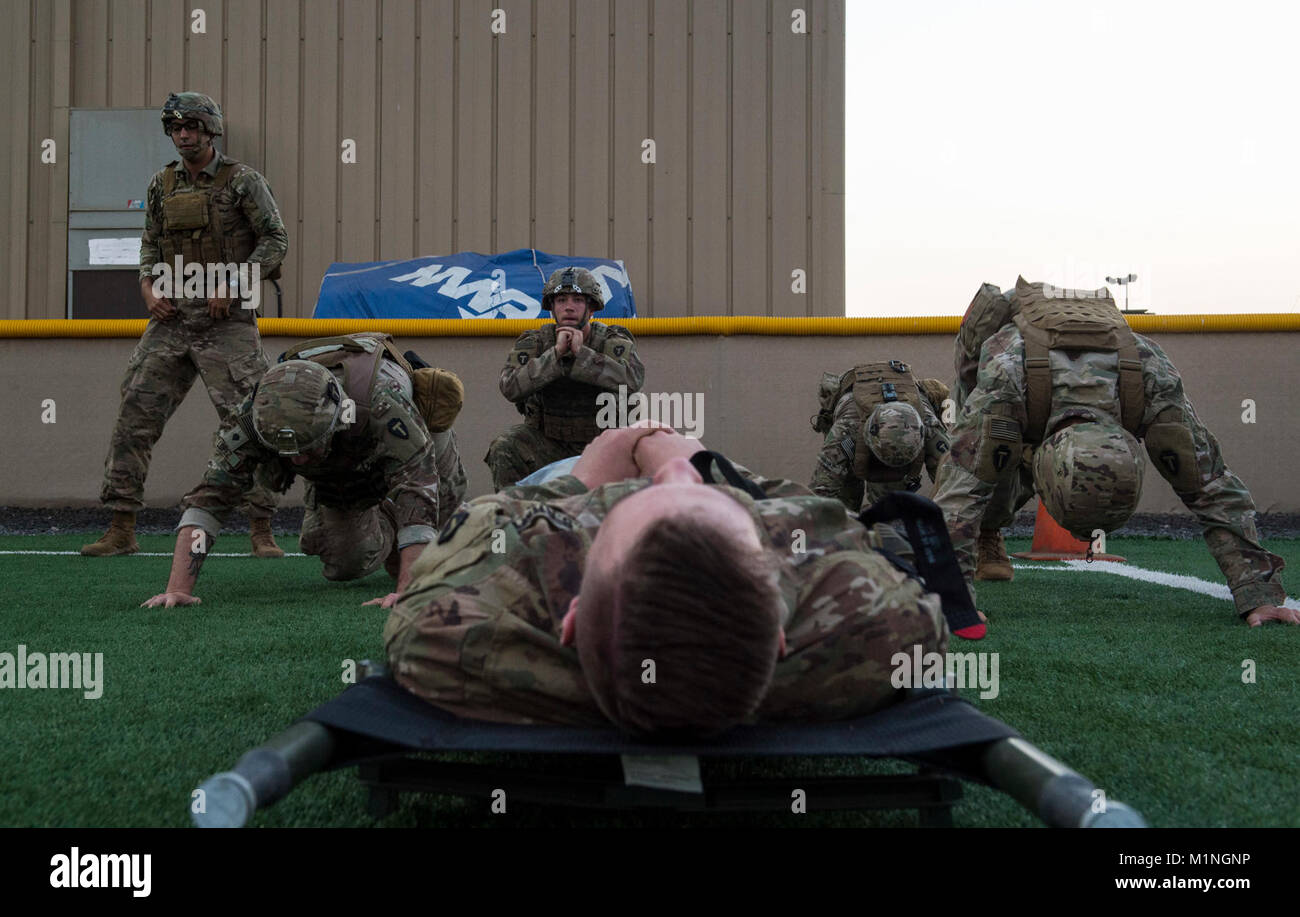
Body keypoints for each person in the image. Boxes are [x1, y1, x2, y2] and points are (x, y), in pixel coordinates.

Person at [385, 425, 949, 735]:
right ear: (779, 633)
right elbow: (830, 522)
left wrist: (584, 482)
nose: (672, 475)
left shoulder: (437, 637)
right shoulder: (888, 633)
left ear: (573, 619)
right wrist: (714, 473)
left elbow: (468, 539)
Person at [931, 277, 1295, 627]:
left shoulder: (1152, 377)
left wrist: (1260, 594)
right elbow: (960, 491)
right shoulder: (1006, 375)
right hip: (1003, 331)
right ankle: (990, 531)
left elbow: (1211, 484)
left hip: (1095, 347)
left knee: (994, 453)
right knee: (992, 459)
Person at [82, 92, 288, 559]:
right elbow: (150, 242)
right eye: (175, 128)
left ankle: (261, 528)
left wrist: (234, 284)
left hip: (227, 322)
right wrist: (148, 290)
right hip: (172, 319)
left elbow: (276, 239)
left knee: (253, 421)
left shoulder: (243, 181)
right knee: (135, 414)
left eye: (191, 126)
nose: (183, 135)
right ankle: (121, 527)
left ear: (210, 129)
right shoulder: (162, 183)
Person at [140, 333, 468, 610]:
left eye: (308, 449)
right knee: (344, 564)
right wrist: (178, 588)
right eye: (288, 454)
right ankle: (381, 522)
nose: (297, 462)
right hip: (343, 464)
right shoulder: (253, 419)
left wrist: (409, 590)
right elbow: (210, 499)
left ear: (338, 419)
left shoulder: (383, 403)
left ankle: (413, 549)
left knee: (443, 499)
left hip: (411, 436)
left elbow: (418, 488)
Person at [484, 267, 644, 489]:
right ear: (552, 307)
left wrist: (583, 355)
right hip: (547, 442)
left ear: (592, 307)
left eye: (578, 300)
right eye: (561, 300)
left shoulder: (610, 341)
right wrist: (555, 355)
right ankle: (512, 517)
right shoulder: (536, 342)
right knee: (505, 445)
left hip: (601, 443)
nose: (568, 306)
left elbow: (632, 379)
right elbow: (509, 387)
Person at [809, 361, 952, 513]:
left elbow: (953, 482)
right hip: (853, 414)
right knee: (844, 500)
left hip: (904, 414)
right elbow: (821, 491)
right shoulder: (846, 430)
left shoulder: (929, 425)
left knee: (891, 506)